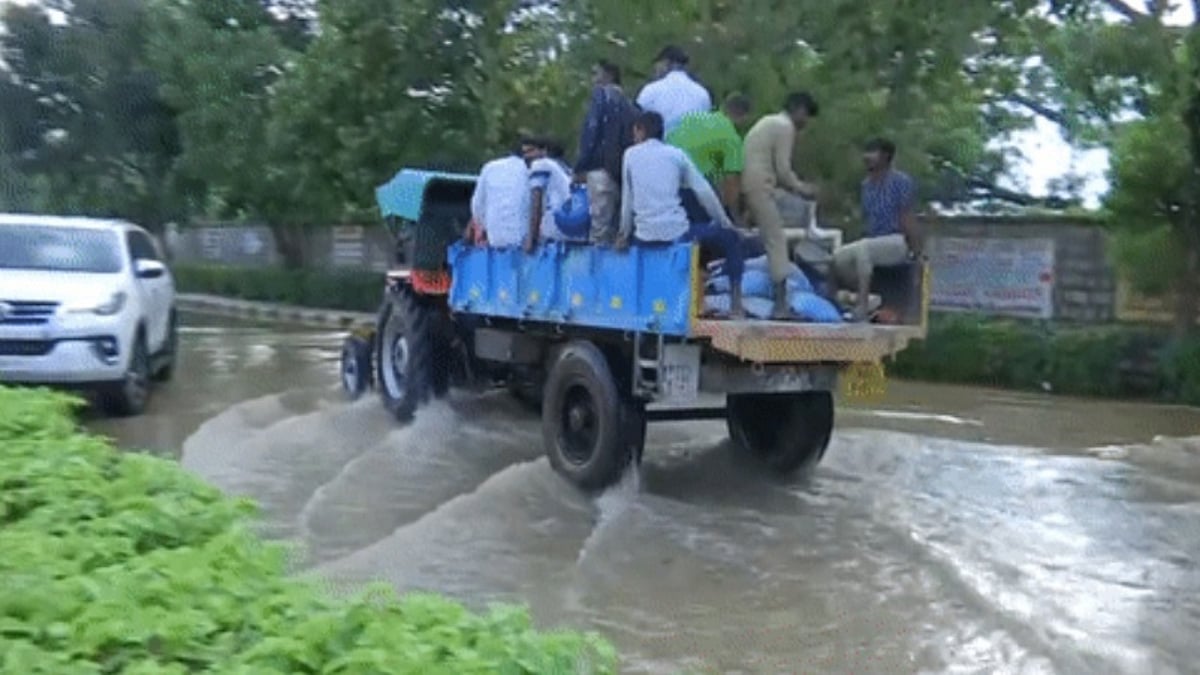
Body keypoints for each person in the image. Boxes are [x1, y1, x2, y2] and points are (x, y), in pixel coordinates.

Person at [618, 111, 746, 317]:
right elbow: (704, 192)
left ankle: (699, 294)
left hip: (644, 237)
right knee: (729, 239)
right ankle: (736, 305)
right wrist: (725, 222)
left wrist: (623, 234)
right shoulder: (676, 154)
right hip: (676, 234)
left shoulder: (630, 155)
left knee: (701, 238)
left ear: (640, 130)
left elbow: (627, 200)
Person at [741, 91, 821, 319]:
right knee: (777, 241)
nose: (805, 123)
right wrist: (805, 189)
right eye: (806, 116)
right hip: (762, 186)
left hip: (753, 185)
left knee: (772, 236)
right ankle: (780, 306)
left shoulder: (768, 121)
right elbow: (784, 171)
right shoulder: (785, 126)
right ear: (799, 110)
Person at [832, 137, 921, 321]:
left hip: (897, 241)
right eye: (866, 152)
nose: (866, 157)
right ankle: (862, 298)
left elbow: (906, 216)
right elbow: (866, 220)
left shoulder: (900, 181)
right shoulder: (866, 186)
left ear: (885, 156)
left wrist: (916, 250)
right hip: (874, 241)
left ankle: (862, 308)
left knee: (864, 249)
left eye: (872, 152)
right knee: (839, 257)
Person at [573, 59, 638, 245]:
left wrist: (580, 166)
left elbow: (592, 132)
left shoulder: (601, 97)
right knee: (619, 228)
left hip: (600, 169)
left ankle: (597, 272)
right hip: (623, 172)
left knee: (599, 232)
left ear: (608, 76)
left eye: (596, 74)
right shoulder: (630, 104)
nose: (593, 79)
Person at [666, 92, 751, 220]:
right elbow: (731, 182)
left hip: (666, 181)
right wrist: (732, 216)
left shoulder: (692, 118)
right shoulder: (731, 139)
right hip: (692, 190)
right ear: (743, 117)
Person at [469, 138, 541, 248]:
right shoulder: (531, 170)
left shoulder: (490, 167)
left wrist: (486, 228)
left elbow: (477, 206)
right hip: (523, 242)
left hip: (495, 240)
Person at [635, 45, 712, 136]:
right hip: (693, 148)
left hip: (659, 147)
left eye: (657, 64)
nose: (655, 69)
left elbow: (636, 120)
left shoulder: (651, 90)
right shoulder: (702, 94)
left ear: (665, 63)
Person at [526, 136, 583, 251]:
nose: (527, 156)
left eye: (532, 151)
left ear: (544, 151)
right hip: (575, 228)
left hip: (555, 228)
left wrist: (532, 238)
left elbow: (536, 201)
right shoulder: (567, 169)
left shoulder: (541, 164)